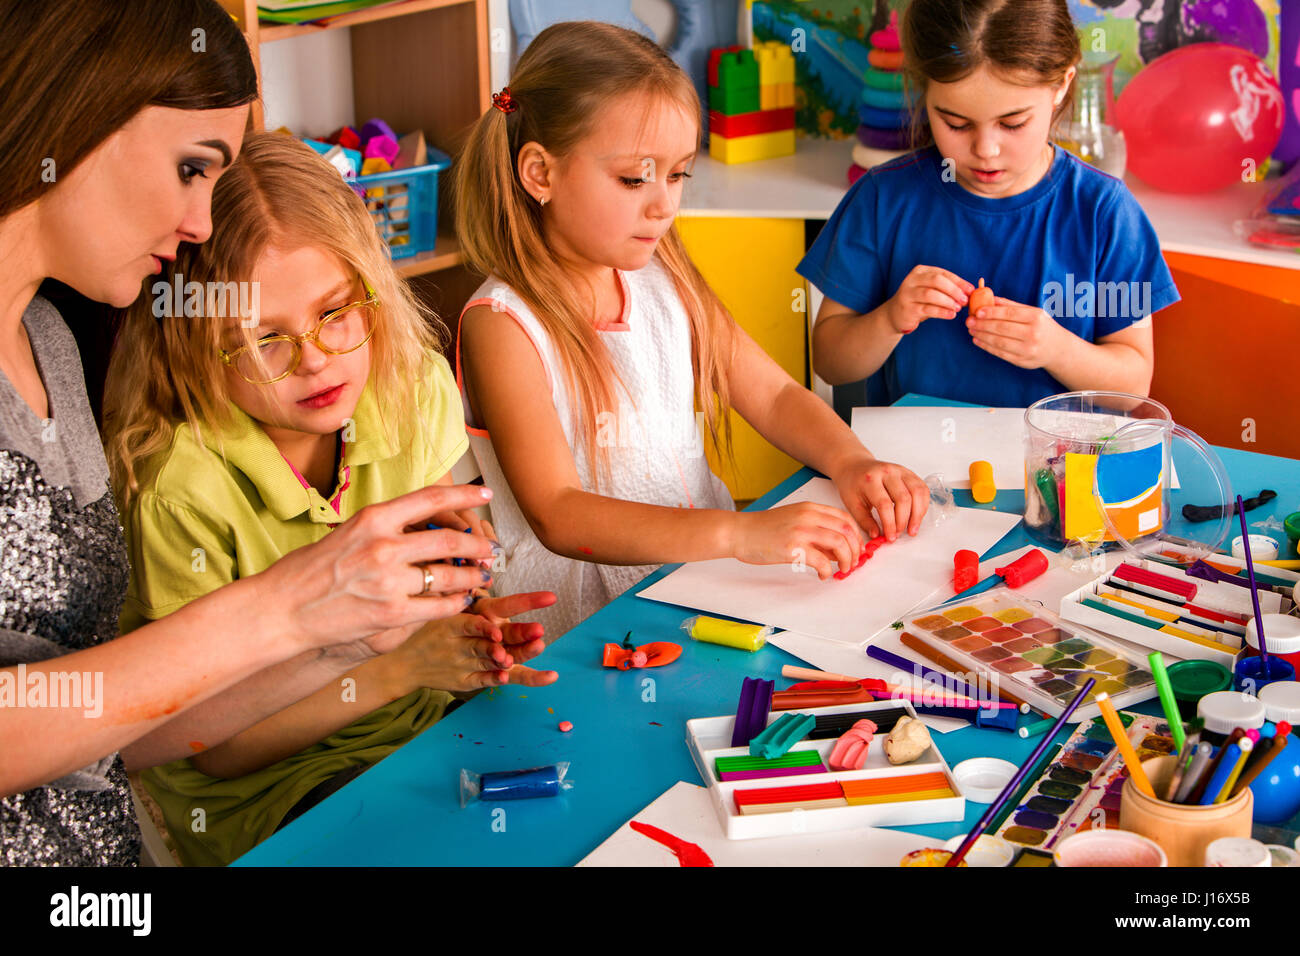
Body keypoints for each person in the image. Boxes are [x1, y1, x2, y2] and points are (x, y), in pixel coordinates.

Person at [0, 0, 498, 866]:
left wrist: (349, 633)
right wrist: (293, 606)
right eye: (192, 168)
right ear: (79, 112)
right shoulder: (168, 457)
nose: (198, 224)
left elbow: (132, 729)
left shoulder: (50, 340)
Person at [101, 132, 557, 865]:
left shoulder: (413, 386)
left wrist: (471, 626)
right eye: (262, 341)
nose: (314, 358)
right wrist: (403, 667)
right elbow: (216, 749)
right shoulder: (181, 491)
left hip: (423, 720)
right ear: (192, 346)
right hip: (277, 784)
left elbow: (456, 574)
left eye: (335, 312)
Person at [454, 21, 931, 638]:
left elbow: (775, 394)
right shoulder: (504, 325)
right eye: (634, 178)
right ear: (540, 173)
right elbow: (560, 515)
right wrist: (739, 531)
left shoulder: (662, 272)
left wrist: (851, 462)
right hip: (578, 628)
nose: (664, 205)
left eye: (678, 174)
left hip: (697, 586)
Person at [803, 0, 1178, 409]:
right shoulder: (883, 199)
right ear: (923, 90)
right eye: (955, 123)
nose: (986, 150)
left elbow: (1133, 386)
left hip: (1055, 465)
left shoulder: (1103, 212)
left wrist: (1056, 349)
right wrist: (890, 318)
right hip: (917, 466)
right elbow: (830, 363)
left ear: (1061, 86)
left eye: (1012, 123)